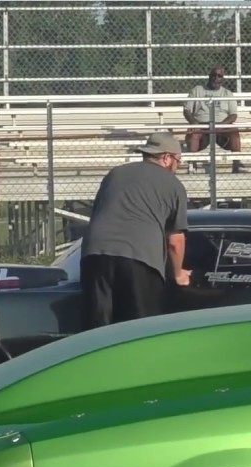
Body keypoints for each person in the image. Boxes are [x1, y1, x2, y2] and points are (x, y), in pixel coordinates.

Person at [80, 132, 192, 330]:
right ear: (166, 158)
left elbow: (100, 214)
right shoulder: (173, 185)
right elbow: (175, 241)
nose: (178, 166)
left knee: (98, 328)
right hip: (139, 259)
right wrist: (178, 274)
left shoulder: (115, 174)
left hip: (95, 255)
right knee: (138, 329)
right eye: (178, 161)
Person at [183, 66, 243, 173]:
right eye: (213, 75)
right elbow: (186, 110)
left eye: (219, 76)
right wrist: (194, 123)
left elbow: (233, 115)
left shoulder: (227, 94)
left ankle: (236, 164)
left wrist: (222, 125)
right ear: (209, 76)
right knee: (193, 133)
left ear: (222, 79)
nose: (216, 78)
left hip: (221, 126)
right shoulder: (197, 90)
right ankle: (192, 165)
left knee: (234, 132)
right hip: (201, 125)